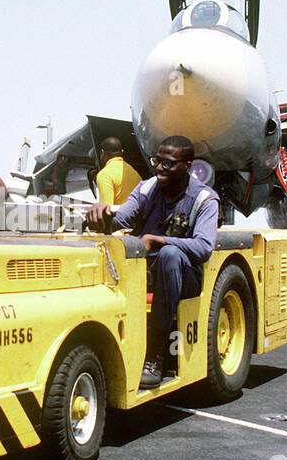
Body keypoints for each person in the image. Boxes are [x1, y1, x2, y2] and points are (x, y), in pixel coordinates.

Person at [87, 135, 218, 389]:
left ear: (187, 166)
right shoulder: (147, 188)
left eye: (167, 164)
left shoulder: (205, 199)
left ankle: (154, 357)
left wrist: (160, 241)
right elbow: (121, 219)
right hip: (145, 271)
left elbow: (203, 247)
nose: (159, 168)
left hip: (184, 276)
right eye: (157, 161)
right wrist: (101, 216)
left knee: (170, 256)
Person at [95, 136, 141, 206]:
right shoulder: (132, 170)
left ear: (102, 152)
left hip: (121, 216)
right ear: (121, 151)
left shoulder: (104, 175)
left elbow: (106, 209)